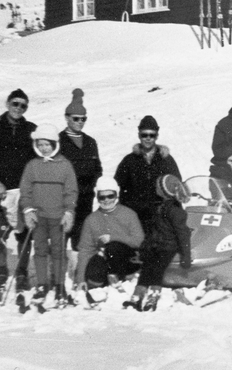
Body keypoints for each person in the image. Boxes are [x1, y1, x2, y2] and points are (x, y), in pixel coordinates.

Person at [0, 88, 37, 300]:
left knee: (23, 233)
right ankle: (2, 268)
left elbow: (39, 158)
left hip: (22, 191)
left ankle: (21, 272)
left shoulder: (31, 130)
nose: (19, 108)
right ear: (8, 104)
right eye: (15, 104)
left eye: (23, 105)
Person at [18, 123, 78, 311]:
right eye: (40, 144)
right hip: (39, 217)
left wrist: (69, 211)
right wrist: (28, 210)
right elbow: (25, 190)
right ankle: (42, 284)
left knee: (59, 251)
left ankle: (59, 284)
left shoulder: (65, 165)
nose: (44, 148)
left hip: (58, 217)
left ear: (54, 144)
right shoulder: (32, 165)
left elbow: (71, 191)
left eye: (47, 144)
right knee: (41, 250)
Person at [126, 174, 193, 311]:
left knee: (157, 269)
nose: (155, 187)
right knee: (146, 268)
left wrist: (186, 256)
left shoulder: (176, 211)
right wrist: (144, 247)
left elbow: (183, 234)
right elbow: (152, 231)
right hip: (155, 245)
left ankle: (153, 296)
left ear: (164, 191)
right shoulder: (160, 207)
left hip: (168, 247)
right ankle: (137, 296)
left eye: (158, 186)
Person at [75, 177, 145, 303]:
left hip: (127, 259)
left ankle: (122, 279)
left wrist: (113, 237)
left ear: (116, 195)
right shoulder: (91, 219)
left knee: (113, 247)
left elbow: (139, 241)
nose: (106, 200)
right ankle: (102, 287)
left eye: (110, 196)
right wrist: (81, 279)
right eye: (102, 197)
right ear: (97, 198)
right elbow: (85, 250)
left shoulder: (129, 214)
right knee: (94, 276)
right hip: (105, 259)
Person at [114, 115, 181, 236]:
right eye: (144, 135)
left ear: (157, 136)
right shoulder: (129, 160)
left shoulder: (166, 160)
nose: (148, 138)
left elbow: (176, 185)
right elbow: (116, 186)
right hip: (136, 215)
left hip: (160, 214)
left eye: (152, 135)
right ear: (139, 135)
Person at [58, 88, 102, 251]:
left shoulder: (90, 142)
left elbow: (97, 167)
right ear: (67, 118)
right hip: (65, 199)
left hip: (86, 198)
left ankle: (79, 272)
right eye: (76, 118)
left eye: (83, 119)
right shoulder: (58, 141)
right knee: (61, 236)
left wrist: (94, 183)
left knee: (81, 237)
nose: (80, 122)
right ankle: (58, 272)